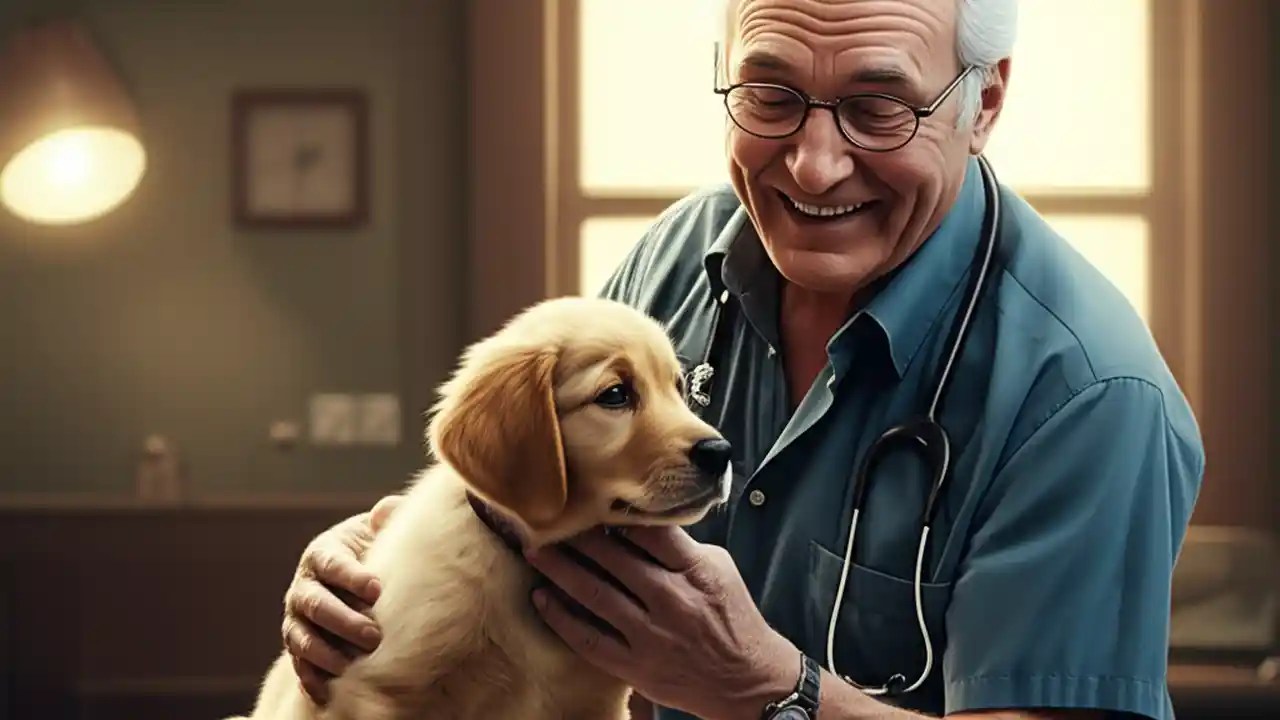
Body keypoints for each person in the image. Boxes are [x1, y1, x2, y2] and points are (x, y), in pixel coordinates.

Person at [274, 0, 1204, 718]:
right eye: (771, 95)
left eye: (878, 107)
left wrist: (767, 690)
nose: (813, 166)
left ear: (983, 103)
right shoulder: (677, 258)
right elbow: (537, 511)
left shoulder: (1090, 397)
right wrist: (375, 574)